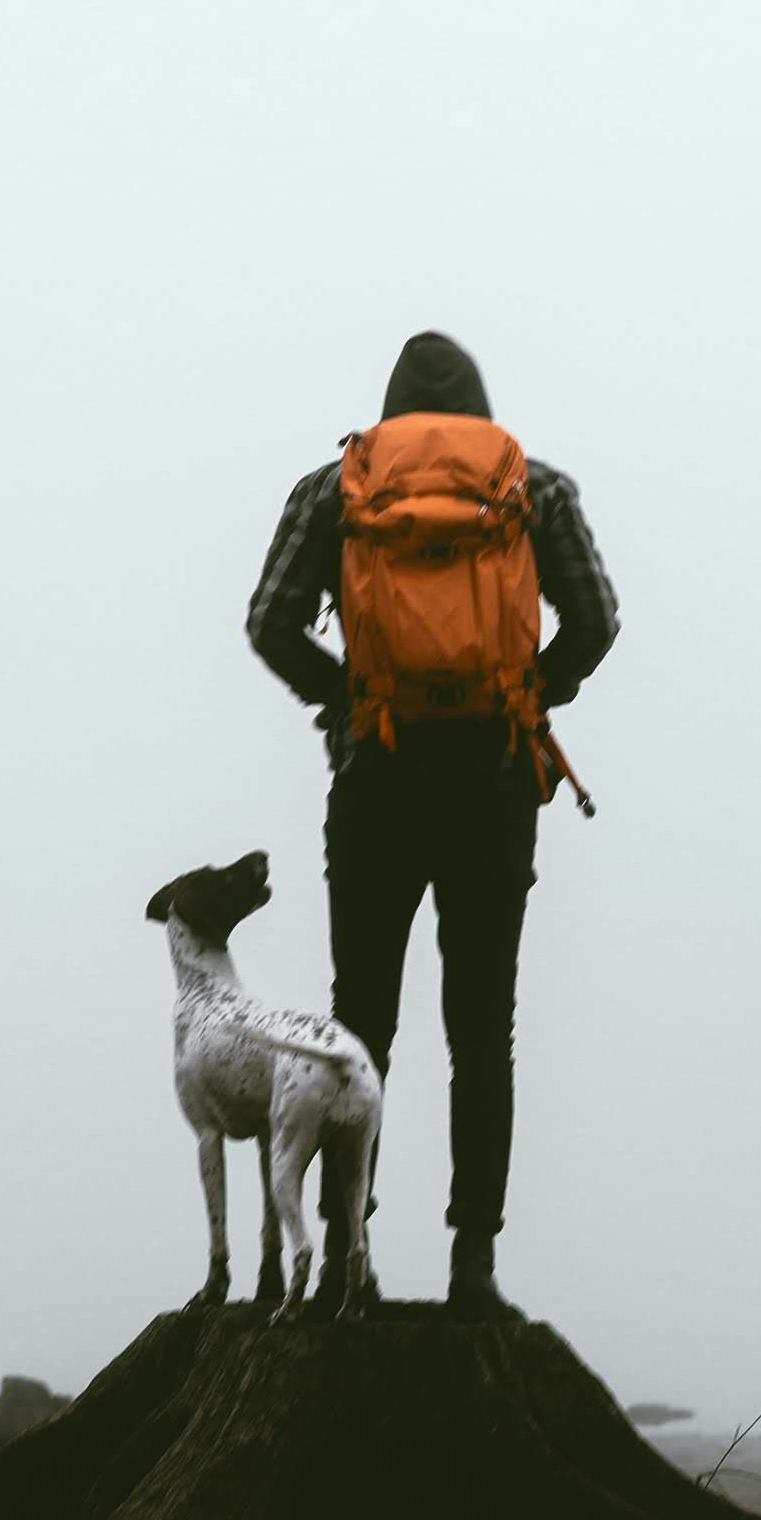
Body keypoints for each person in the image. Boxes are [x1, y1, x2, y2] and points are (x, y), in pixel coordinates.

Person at [244, 331, 617, 1316]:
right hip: (493, 779)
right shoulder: (537, 488)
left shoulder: (338, 489)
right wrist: (532, 691)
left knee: (358, 1029)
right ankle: (474, 1266)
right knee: (480, 1028)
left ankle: (341, 1261)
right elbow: (599, 617)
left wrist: (345, 698)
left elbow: (268, 622)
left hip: (378, 776)